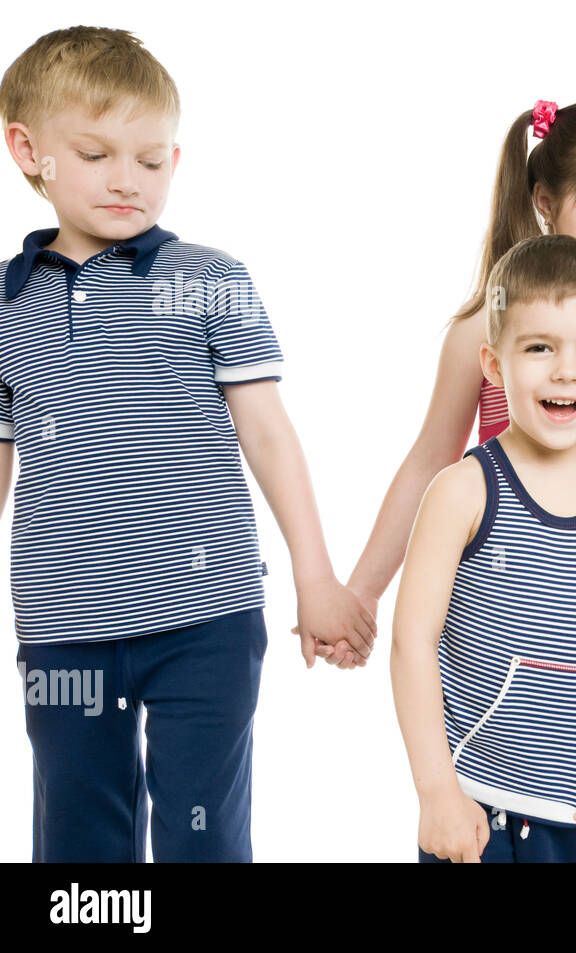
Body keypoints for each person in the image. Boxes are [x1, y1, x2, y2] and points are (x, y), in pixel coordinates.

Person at [0, 26, 375, 862]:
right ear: (29, 150)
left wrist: (315, 577)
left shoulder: (207, 277)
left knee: (203, 835)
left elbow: (270, 434)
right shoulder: (4, 306)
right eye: (96, 154)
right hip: (63, 623)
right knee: (76, 841)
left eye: (151, 157)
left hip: (206, 617)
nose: (128, 180)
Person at [340, 101, 576, 715]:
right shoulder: (480, 330)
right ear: (546, 200)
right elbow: (428, 462)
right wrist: (363, 592)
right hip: (496, 606)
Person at [391, 234, 576, 862]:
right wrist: (436, 789)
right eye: (539, 347)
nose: (566, 369)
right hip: (470, 804)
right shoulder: (462, 491)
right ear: (495, 365)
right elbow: (412, 640)